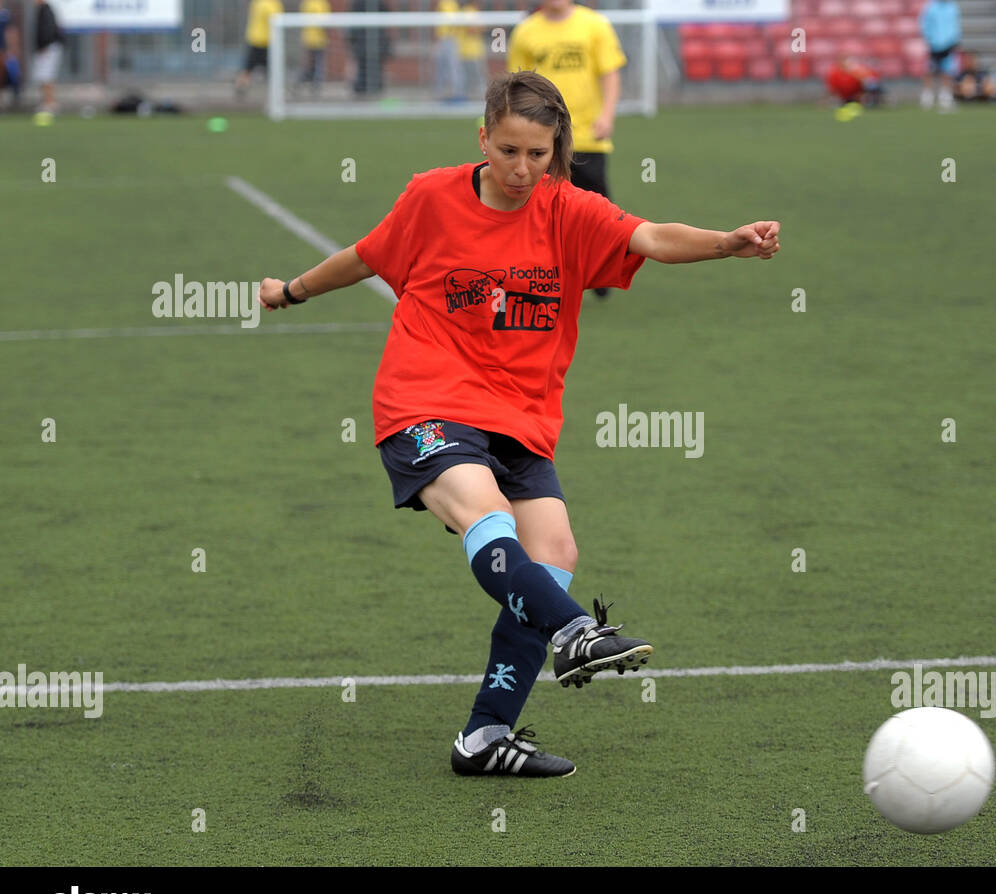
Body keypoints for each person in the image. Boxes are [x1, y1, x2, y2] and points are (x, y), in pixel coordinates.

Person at [255, 72, 780, 777]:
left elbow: (651, 236)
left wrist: (728, 242)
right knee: (486, 512)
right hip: (425, 398)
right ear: (482, 138)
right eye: (508, 150)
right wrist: (292, 289)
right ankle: (573, 628)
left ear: (557, 149)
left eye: (538, 153)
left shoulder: (570, 210)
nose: (522, 168)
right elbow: (365, 256)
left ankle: (482, 738)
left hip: (521, 418)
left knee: (555, 551)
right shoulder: (430, 197)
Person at [508, 0, 625, 297]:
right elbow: (516, 85)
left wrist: (607, 115)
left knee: (597, 209)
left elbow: (610, 73)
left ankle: (601, 272)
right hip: (541, 138)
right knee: (540, 206)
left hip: (586, 135)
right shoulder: (525, 32)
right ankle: (541, 274)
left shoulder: (595, 24)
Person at [918, 0, 961, 112]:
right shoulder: (930, 7)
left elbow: (955, 24)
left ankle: (945, 96)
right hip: (934, 44)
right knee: (930, 70)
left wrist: (954, 39)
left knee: (946, 71)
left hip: (948, 43)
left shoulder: (952, 7)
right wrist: (929, 38)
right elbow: (924, 23)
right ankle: (927, 96)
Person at [237, 0, 283, 99]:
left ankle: (241, 86)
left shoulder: (257, 3)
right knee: (274, 69)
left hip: (254, 39)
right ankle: (277, 93)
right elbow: (276, 21)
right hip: (265, 41)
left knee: (248, 68)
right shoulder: (270, 4)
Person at [32, 0, 62, 118]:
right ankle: (47, 102)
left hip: (47, 49)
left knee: (46, 76)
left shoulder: (46, 9)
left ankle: (50, 104)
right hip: (45, 48)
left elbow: (49, 29)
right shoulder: (42, 10)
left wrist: (44, 45)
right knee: (43, 77)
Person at [296, 0, 330, 96]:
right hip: (319, 39)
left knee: (308, 63)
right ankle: (316, 87)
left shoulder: (306, 3)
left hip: (307, 38)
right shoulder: (321, 4)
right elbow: (323, 23)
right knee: (319, 63)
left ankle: (299, 84)